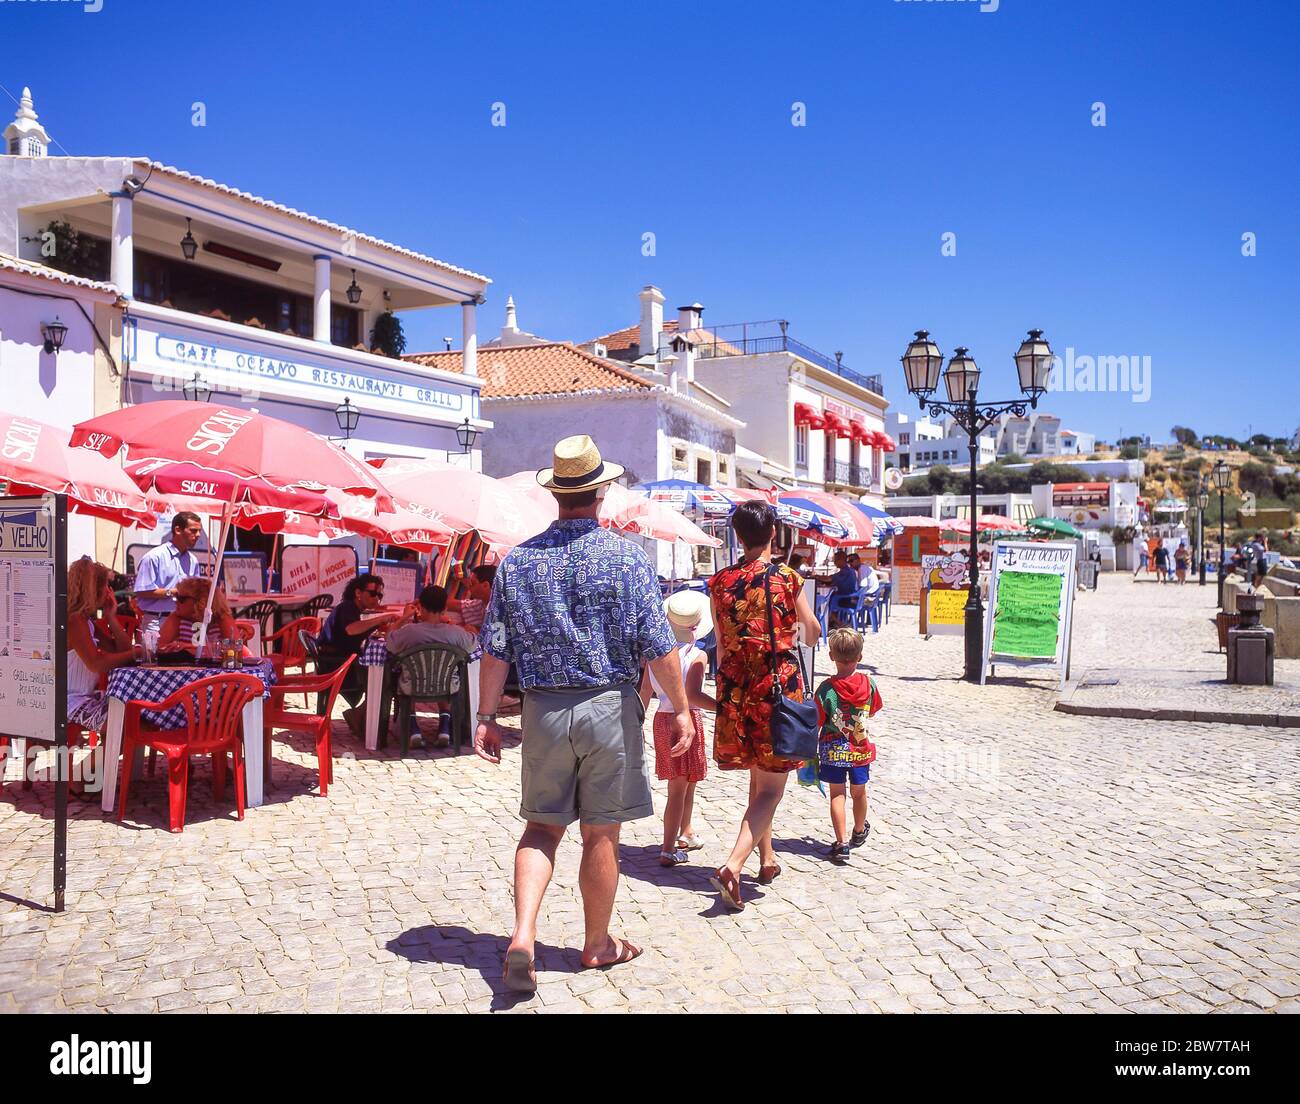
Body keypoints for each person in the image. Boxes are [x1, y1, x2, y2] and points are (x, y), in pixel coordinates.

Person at [473, 435, 692, 993]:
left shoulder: (518, 562)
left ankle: (522, 935)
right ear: (600, 492)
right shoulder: (625, 558)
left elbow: (495, 649)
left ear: (558, 495)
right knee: (601, 834)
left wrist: (484, 717)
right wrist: (683, 710)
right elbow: (658, 647)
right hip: (608, 709)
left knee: (542, 828)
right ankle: (597, 944)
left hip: (543, 710)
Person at [708, 500, 821, 912]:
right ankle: (733, 865)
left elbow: (720, 644)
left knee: (759, 779)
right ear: (773, 533)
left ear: (738, 536)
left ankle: (767, 858)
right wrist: (802, 625)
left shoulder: (719, 582)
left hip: (736, 686)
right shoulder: (787, 579)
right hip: (777, 686)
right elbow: (811, 632)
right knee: (772, 788)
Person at [639, 590, 715, 867]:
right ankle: (668, 847)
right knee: (679, 788)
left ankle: (686, 831)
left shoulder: (655, 656)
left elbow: (645, 692)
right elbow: (693, 696)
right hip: (685, 721)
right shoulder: (697, 655)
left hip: (661, 718)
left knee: (686, 782)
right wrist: (723, 707)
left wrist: (635, 723)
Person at [66, 559, 142, 795]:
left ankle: (91, 771)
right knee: (124, 722)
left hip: (84, 696)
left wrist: (111, 617)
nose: (110, 591)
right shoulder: (74, 620)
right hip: (68, 699)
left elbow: (119, 651)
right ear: (94, 588)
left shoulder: (86, 619)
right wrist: (136, 652)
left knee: (135, 716)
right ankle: (78, 775)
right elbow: (96, 663)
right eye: (107, 586)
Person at [815, 628, 881, 864]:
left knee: (837, 795)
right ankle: (860, 829)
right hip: (859, 750)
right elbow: (872, 710)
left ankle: (841, 843)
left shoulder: (826, 690)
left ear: (831, 656)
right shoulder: (868, 684)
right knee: (859, 791)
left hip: (832, 750)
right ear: (860, 657)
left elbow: (817, 720)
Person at [385, 584, 478, 749]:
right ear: (444, 608)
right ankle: (444, 727)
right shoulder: (454, 632)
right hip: (447, 686)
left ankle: (413, 729)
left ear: (421, 607)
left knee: (401, 678)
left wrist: (404, 617)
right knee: (445, 675)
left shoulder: (409, 632)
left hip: (412, 686)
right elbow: (472, 644)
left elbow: (390, 641)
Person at [318, 573, 403, 737]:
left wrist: (398, 620)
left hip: (342, 662)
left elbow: (371, 631)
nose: (376, 599)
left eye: (379, 595)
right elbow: (352, 629)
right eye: (372, 594)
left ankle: (360, 716)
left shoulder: (354, 610)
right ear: (358, 593)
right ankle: (363, 720)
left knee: (386, 674)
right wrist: (380, 619)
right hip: (336, 665)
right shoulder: (347, 607)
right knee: (385, 677)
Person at [132, 512, 203, 633]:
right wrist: (173, 592)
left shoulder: (193, 560)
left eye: (199, 531)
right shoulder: (154, 557)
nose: (198, 535)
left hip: (184, 621)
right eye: (193, 530)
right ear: (178, 530)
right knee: (155, 653)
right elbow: (141, 591)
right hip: (157, 621)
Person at [157, 576, 241, 655]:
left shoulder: (221, 618)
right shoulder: (177, 618)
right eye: (176, 597)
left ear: (201, 601)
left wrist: (187, 646)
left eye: (181, 599)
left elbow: (235, 647)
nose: (176, 601)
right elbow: (159, 647)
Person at [445, 564, 495, 633]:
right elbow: (448, 604)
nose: (469, 586)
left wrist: (476, 630)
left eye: (473, 583)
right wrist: (457, 580)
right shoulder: (481, 603)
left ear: (485, 585)